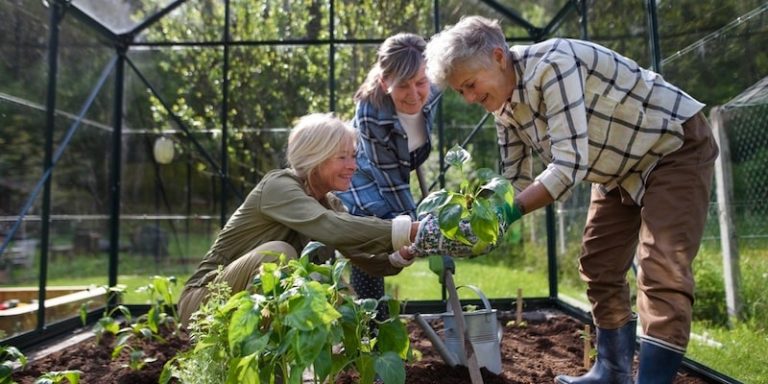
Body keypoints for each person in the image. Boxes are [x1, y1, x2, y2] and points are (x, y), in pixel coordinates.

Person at [424, 16, 718, 384]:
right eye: (459, 91)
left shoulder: (553, 64)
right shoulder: (502, 106)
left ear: (498, 57)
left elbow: (567, 166)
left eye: (470, 85)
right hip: (616, 170)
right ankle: (611, 372)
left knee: (661, 268)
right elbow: (515, 183)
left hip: (672, 146)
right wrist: (478, 221)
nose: (468, 98)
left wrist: (505, 214)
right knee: (599, 264)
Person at [178, 113, 420, 326]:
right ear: (316, 157)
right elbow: (332, 227)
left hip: (248, 301)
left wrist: (398, 256)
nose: (353, 166)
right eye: (342, 157)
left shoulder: (330, 203)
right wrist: (406, 228)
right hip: (204, 301)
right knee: (279, 254)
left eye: (353, 157)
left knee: (333, 289)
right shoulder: (279, 186)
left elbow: (360, 253)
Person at [335, 33, 441, 317]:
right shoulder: (372, 110)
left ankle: (373, 326)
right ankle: (370, 328)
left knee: (397, 233)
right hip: (363, 176)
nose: (415, 94)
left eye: (420, 83)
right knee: (370, 241)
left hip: (404, 163)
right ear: (385, 83)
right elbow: (390, 183)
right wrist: (418, 230)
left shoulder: (435, 84)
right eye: (402, 86)